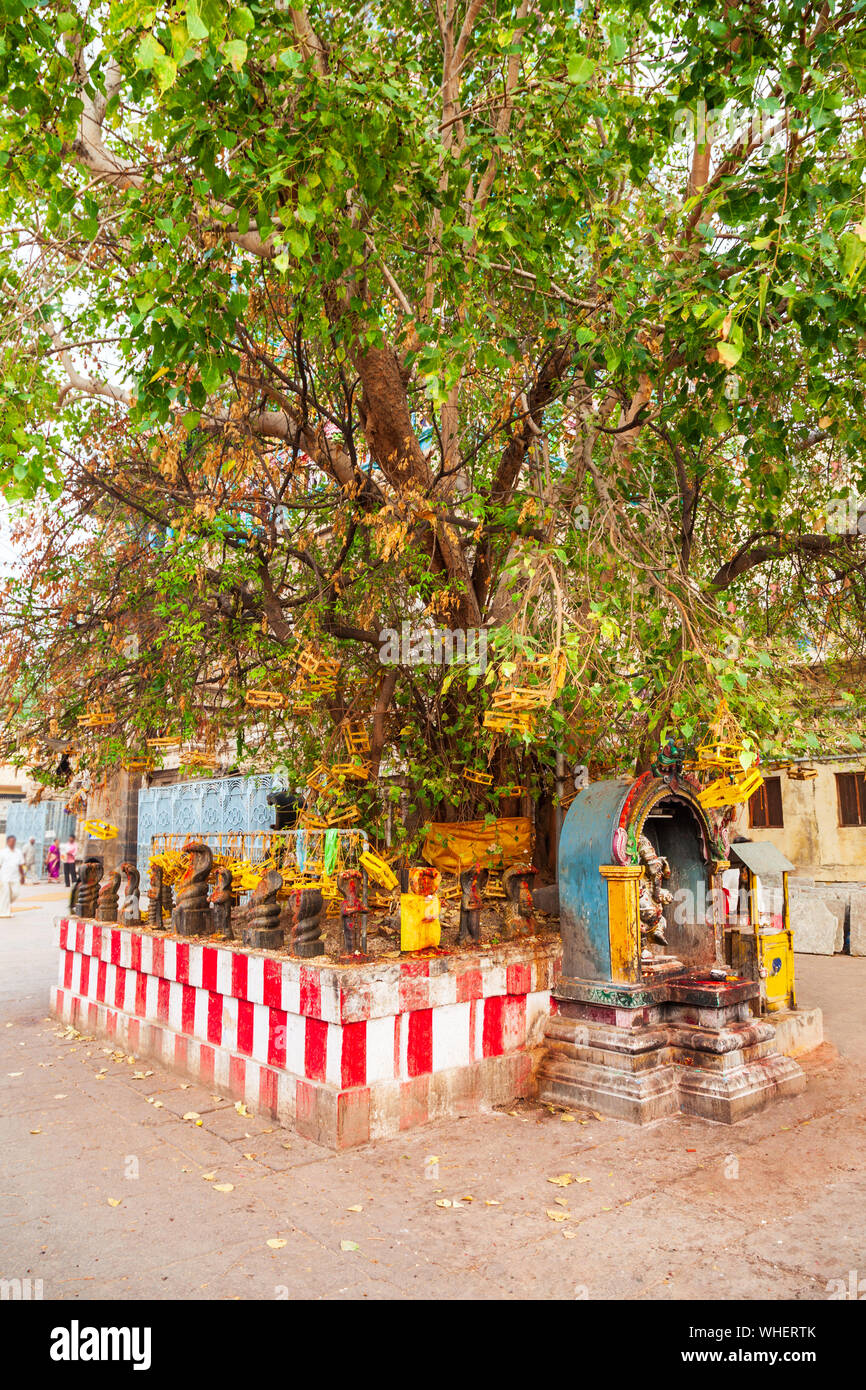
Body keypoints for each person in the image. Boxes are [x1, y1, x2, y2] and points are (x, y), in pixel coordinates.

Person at [0, 834, 26, 918]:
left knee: (15, 894)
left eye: (14, 841)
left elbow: (20, 865)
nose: (12, 843)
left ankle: (4, 904)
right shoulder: (2, 852)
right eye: (11, 841)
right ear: (7, 842)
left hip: (15, 878)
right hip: (4, 877)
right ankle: (5, 913)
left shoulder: (18, 852)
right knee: (6, 894)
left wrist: (23, 876)